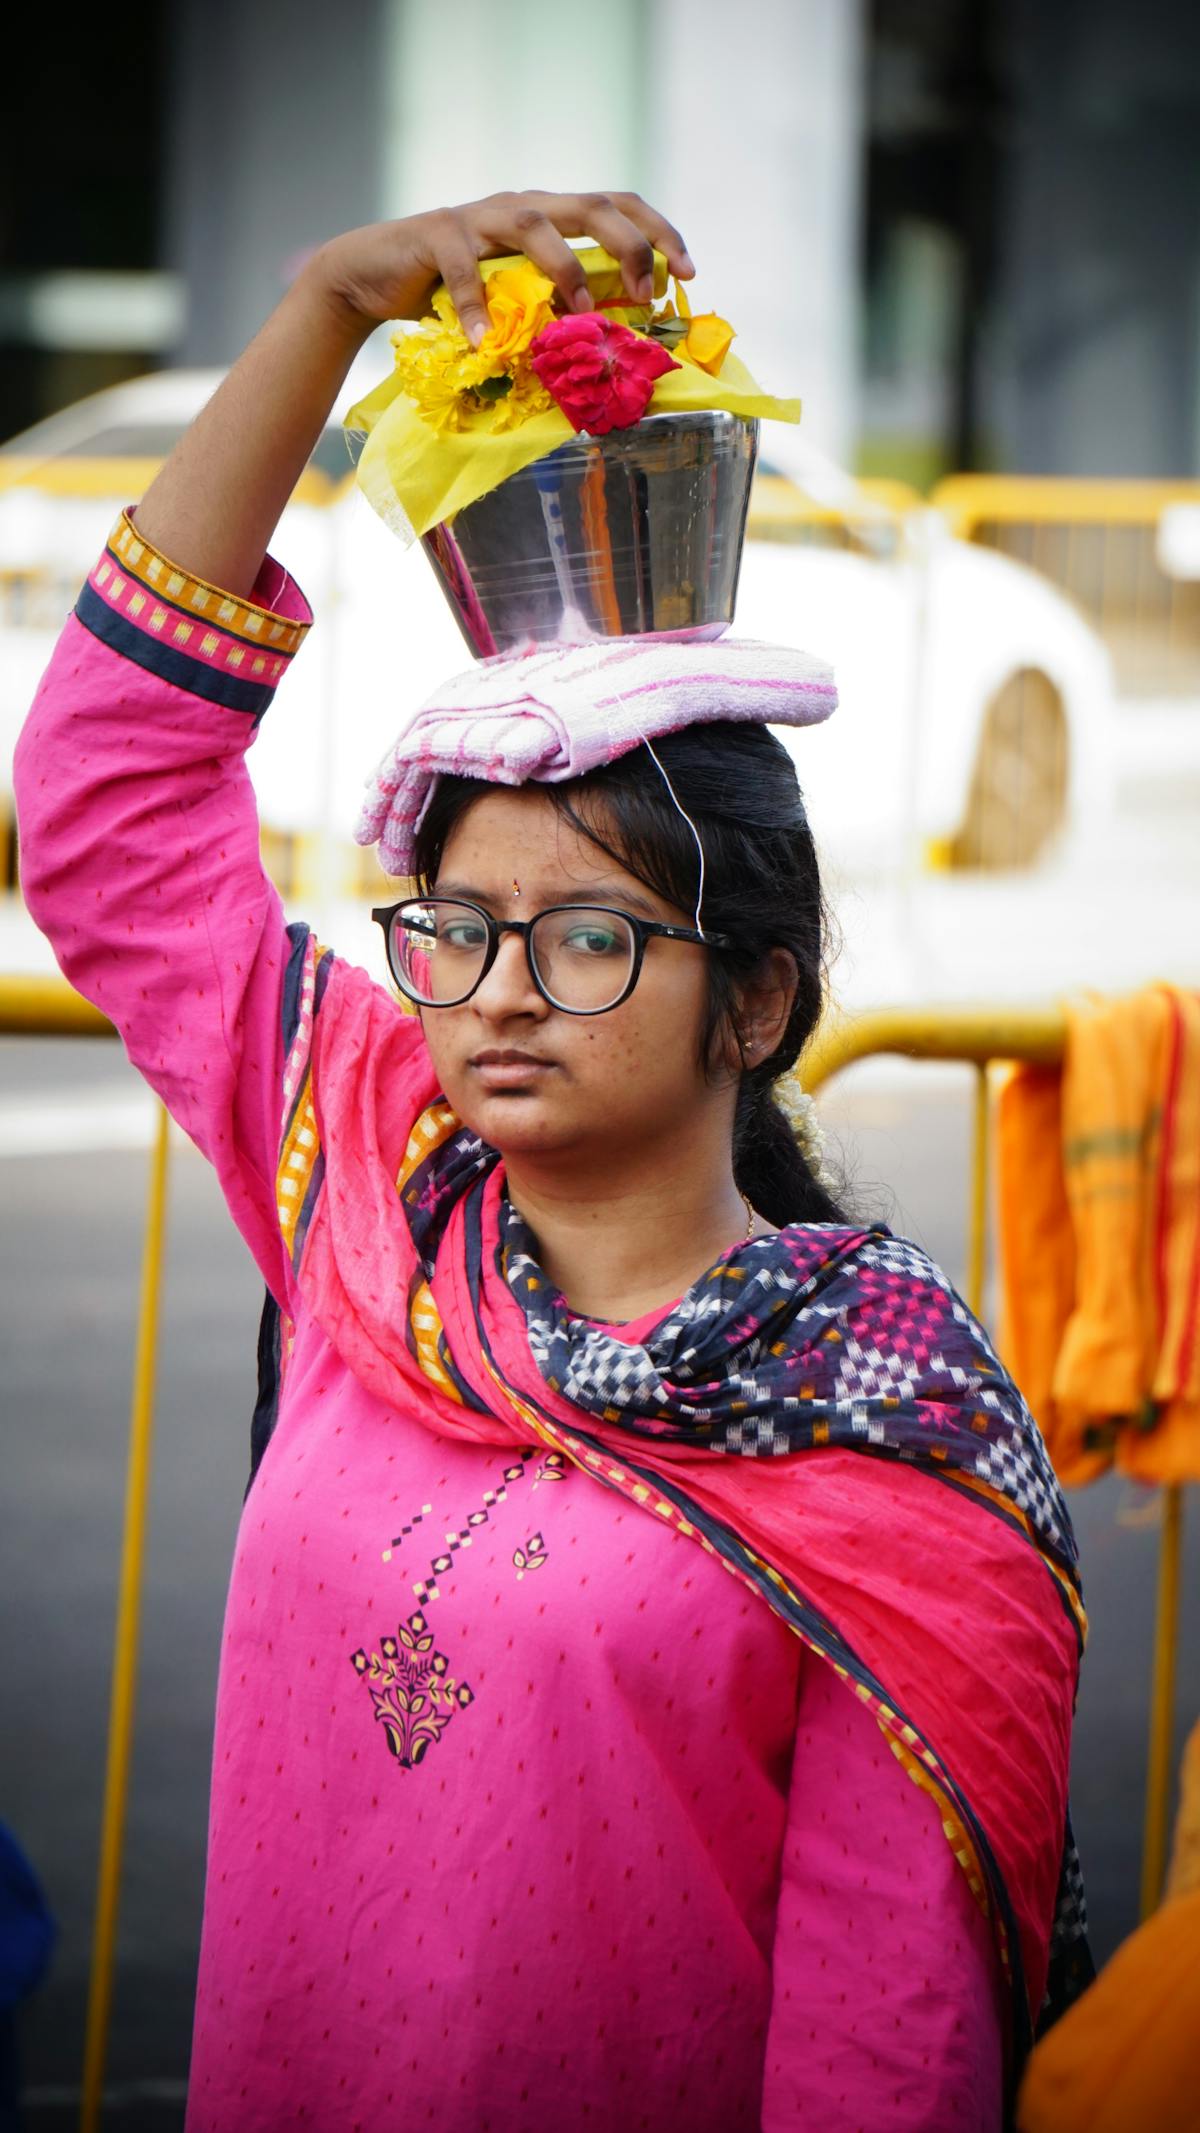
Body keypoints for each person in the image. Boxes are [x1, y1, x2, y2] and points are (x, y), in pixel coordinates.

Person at [15, 190, 1088, 2132]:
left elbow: (883, 2054)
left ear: (755, 1001)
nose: (494, 989)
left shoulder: (882, 1430)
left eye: (587, 935)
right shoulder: (365, 1168)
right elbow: (98, 805)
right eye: (451, 924)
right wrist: (326, 316)